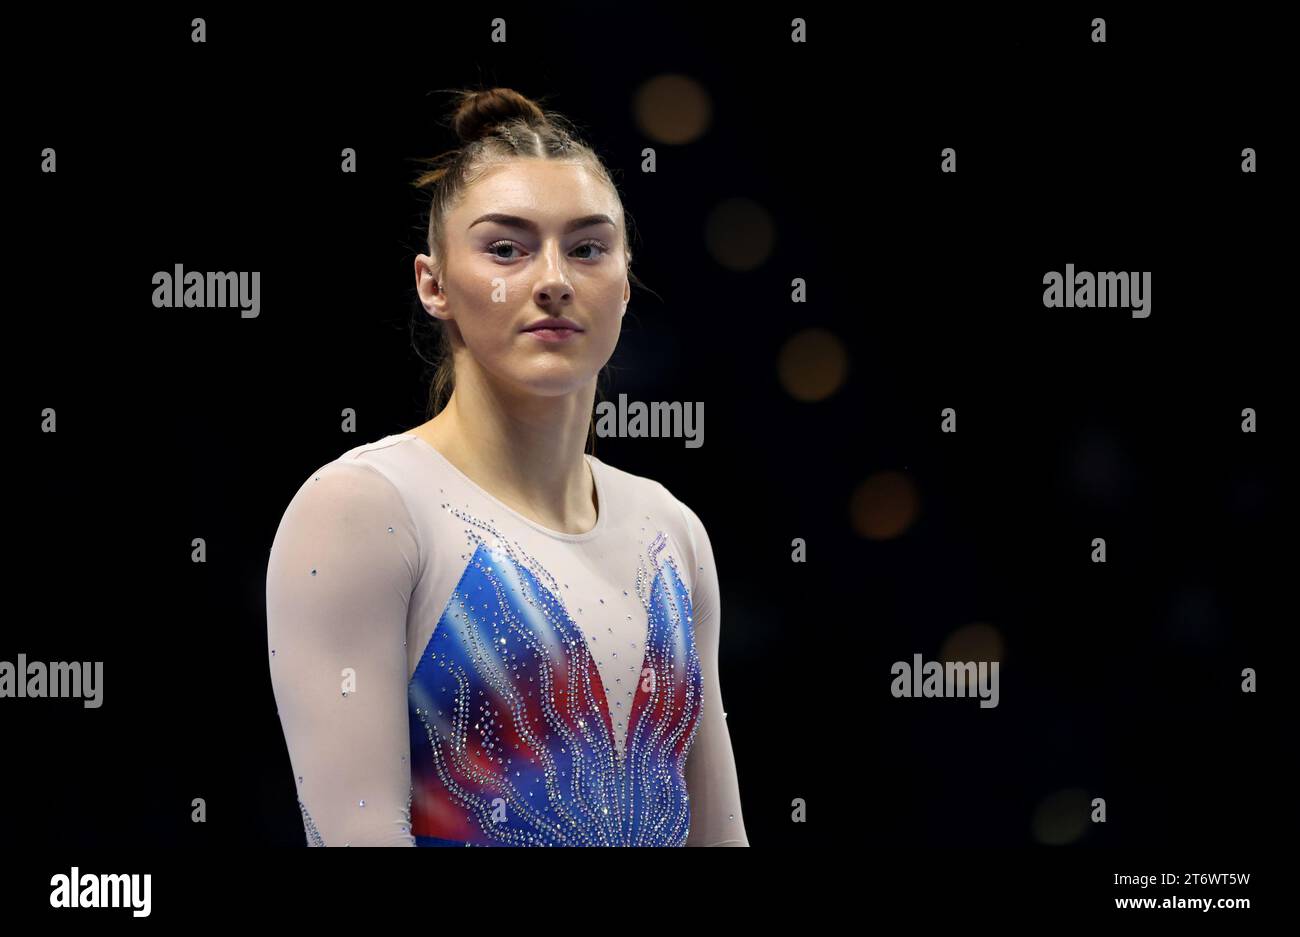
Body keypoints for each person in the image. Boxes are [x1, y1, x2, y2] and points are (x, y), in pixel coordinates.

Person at [265, 87, 747, 846]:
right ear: (433, 284)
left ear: (625, 283)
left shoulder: (672, 530)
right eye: (506, 249)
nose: (554, 278)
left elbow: (720, 835)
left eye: (587, 248)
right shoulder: (363, 510)